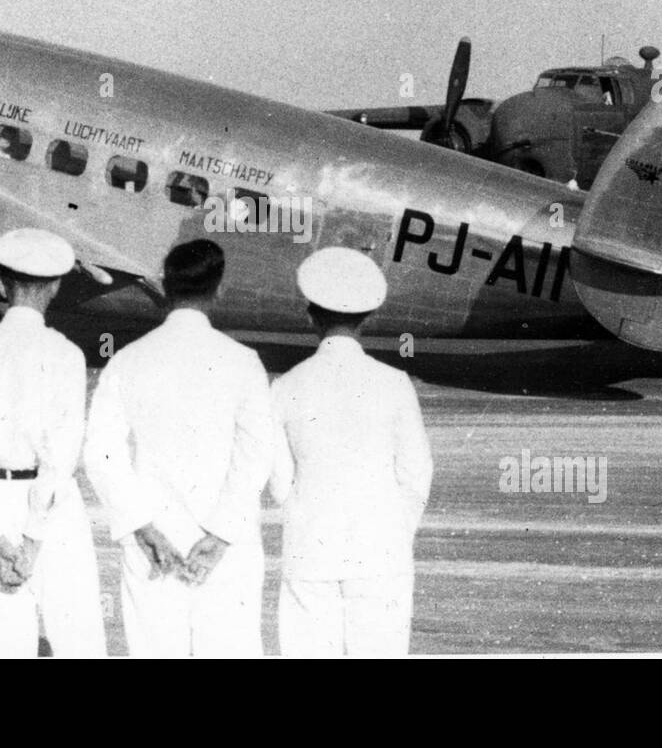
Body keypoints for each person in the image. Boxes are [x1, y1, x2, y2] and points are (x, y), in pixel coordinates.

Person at [84, 239, 273, 657]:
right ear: (218, 289)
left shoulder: (128, 360)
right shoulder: (243, 361)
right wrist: (222, 532)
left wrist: (141, 525)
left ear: (165, 287)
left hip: (155, 544)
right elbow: (257, 454)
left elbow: (99, 451)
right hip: (226, 548)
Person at [0, 228, 105, 658]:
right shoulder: (66, 355)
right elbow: (61, 453)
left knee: (3, 640)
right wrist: (32, 536)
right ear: (56, 287)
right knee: (78, 636)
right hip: (51, 509)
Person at [268, 247, 433, 657]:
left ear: (311, 316)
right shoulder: (394, 383)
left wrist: (302, 513)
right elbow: (416, 472)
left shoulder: (286, 386)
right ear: (367, 319)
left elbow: (278, 479)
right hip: (381, 549)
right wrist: (395, 529)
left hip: (310, 546)